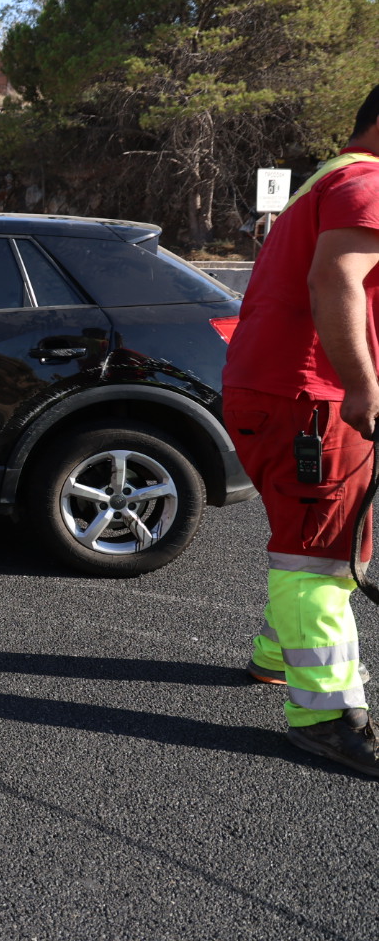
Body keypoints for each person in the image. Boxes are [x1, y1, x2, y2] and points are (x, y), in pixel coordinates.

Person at [222, 84, 379, 776]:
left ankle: (278, 657)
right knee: (323, 554)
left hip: (278, 392)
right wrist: (364, 388)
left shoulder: (329, 176)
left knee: (308, 540)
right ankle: (324, 719)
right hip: (310, 400)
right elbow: (336, 280)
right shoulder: (368, 181)